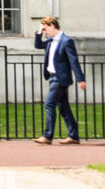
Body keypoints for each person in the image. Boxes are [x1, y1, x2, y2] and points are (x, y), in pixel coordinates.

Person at [32, 16, 86, 145]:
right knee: (63, 108)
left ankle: (47, 136)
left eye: (45, 29)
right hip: (51, 77)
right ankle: (73, 136)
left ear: (52, 25)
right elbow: (38, 45)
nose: (45, 32)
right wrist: (39, 32)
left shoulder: (66, 41)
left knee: (49, 104)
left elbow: (74, 61)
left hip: (60, 78)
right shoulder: (50, 41)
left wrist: (80, 79)